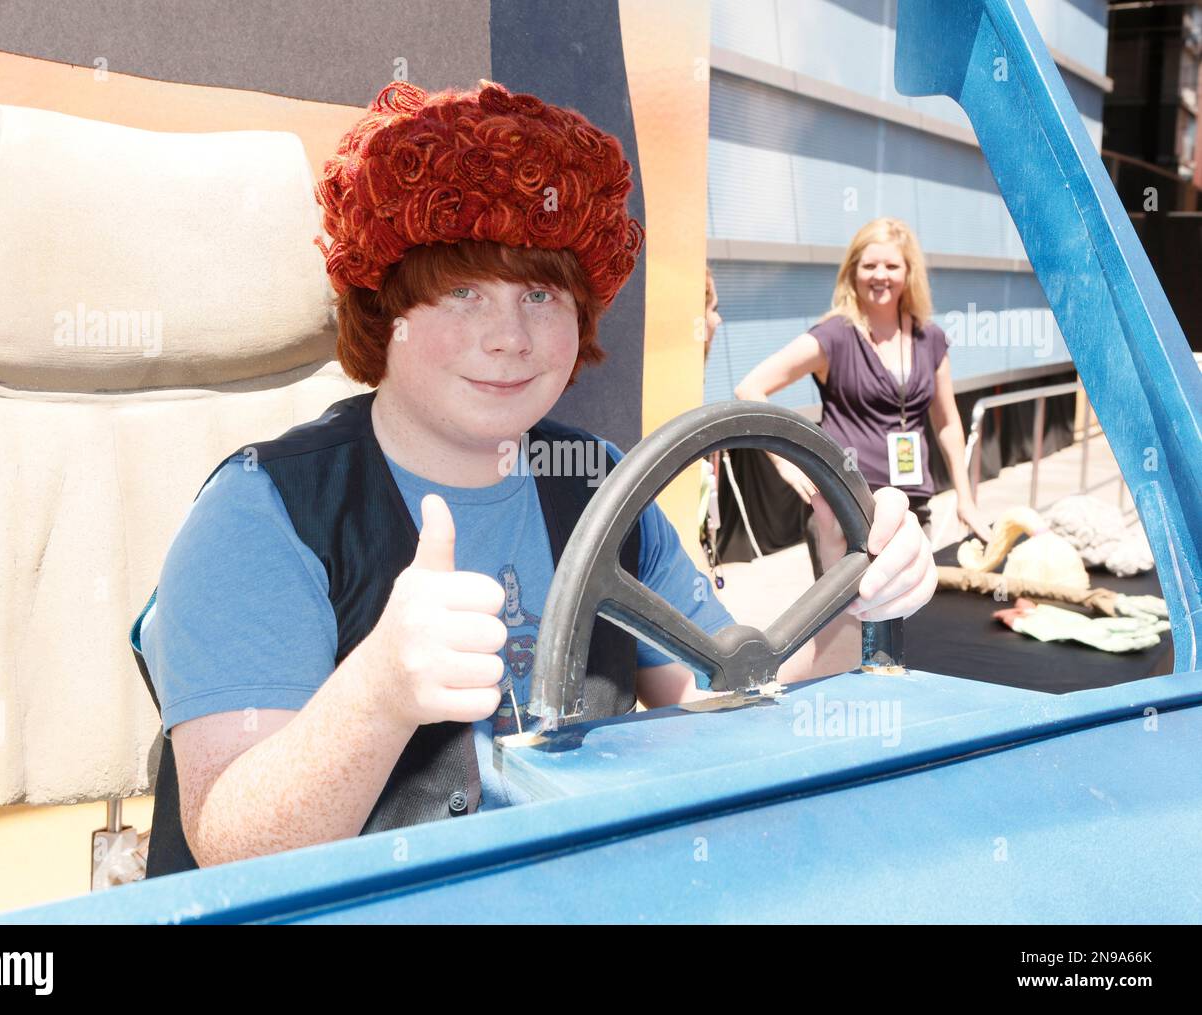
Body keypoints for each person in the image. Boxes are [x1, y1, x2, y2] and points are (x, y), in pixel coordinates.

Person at [131, 81, 937, 875]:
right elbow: (232, 844)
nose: (509, 337)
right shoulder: (262, 513)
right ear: (387, 311)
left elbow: (722, 703)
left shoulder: (602, 486)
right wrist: (376, 693)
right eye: (463, 291)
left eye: (542, 293)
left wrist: (853, 601)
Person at [734, 217, 992, 578]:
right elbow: (750, 387)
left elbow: (947, 424)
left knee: (904, 622)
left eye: (891, 265)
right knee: (846, 628)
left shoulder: (929, 339)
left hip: (912, 507)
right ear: (853, 271)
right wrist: (785, 463)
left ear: (909, 272)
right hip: (845, 507)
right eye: (869, 265)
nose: (879, 275)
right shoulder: (834, 335)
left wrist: (966, 498)